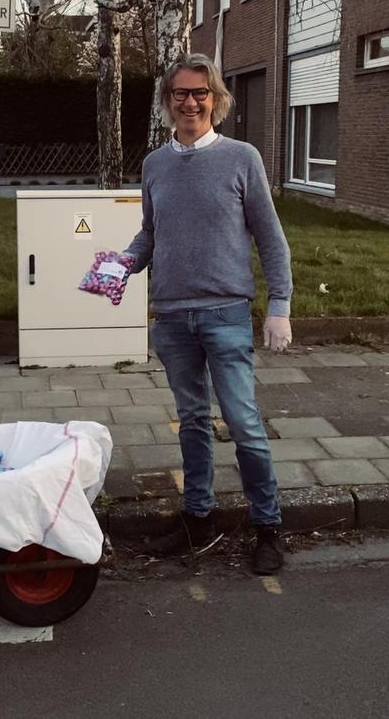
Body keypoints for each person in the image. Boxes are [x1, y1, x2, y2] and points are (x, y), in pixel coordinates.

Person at [123, 53, 294, 576]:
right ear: (168, 102)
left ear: (216, 100)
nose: (190, 102)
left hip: (226, 313)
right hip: (172, 318)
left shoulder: (242, 157)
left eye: (200, 93)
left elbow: (270, 235)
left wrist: (279, 306)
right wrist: (121, 264)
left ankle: (268, 526)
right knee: (192, 421)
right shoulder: (154, 164)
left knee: (243, 421)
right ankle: (198, 516)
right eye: (180, 94)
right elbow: (151, 234)